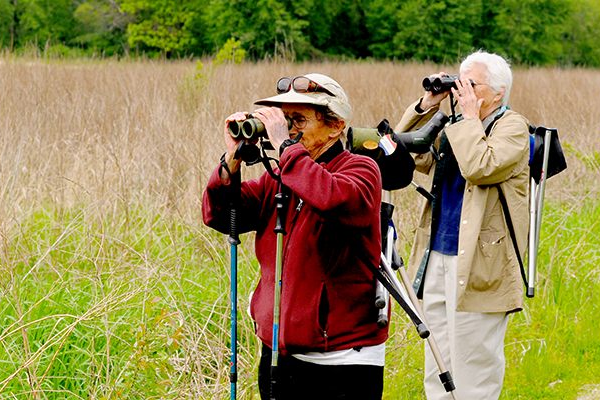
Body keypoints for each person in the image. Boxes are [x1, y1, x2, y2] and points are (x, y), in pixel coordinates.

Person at [202, 73, 388, 400]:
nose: (287, 130)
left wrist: (286, 149)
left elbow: (331, 198)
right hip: (279, 354)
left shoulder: (360, 169)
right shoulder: (279, 177)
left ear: (335, 126)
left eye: (298, 120)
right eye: (284, 120)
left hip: (343, 360)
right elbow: (220, 214)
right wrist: (231, 160)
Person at [394, 51, 530, 400]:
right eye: (460, 82)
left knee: (473, 370)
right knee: (438, 365)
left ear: (497, 93)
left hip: (480, 263)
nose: (462, 91)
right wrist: (427, 106)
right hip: (436, 255)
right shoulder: (456, 125)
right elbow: (401, 150)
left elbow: (480, 167)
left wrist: (467, 118)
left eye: (472, 85)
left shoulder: (513, 127)